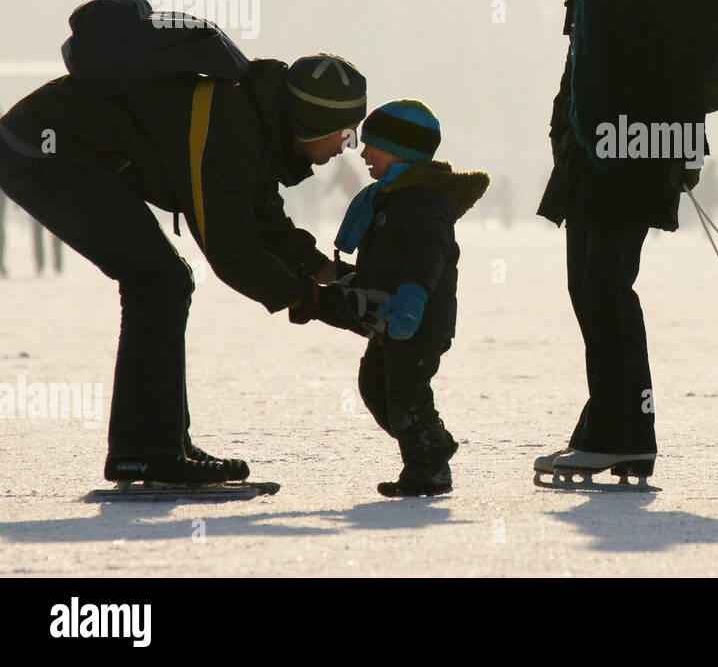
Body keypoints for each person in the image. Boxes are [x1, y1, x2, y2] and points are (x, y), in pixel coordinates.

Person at [0, 39, 370, 485]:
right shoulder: (229, 125)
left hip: (66, 150)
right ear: (314, 121)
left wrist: (335, 276)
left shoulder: (255, 118)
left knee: (163, 280)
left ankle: (162, 441)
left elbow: (264, 222)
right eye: (346, 131)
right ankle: (144, 451)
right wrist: (318, 302)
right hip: (43, 151)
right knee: (159, 281)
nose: (349, 146)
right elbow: (232, 252)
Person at [536, 0, 709, 482]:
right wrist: (564, 132)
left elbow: (683, 57)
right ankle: (615, 429)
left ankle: (621, 431)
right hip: (590, 148)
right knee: (591, 288)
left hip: (637, 146)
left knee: (605, 288)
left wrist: (680, 146)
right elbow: (581, 56)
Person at [331, 100, 488, 496]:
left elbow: (428, 254)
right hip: (391, 316)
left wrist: (412, 299)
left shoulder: (423, 198)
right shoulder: (392, 196)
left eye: (374, 146)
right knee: (374, 386)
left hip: (419, 319)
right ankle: (429, 444)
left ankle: (427, 467)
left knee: (405, 394)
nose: (364, 154)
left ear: (402, 151)